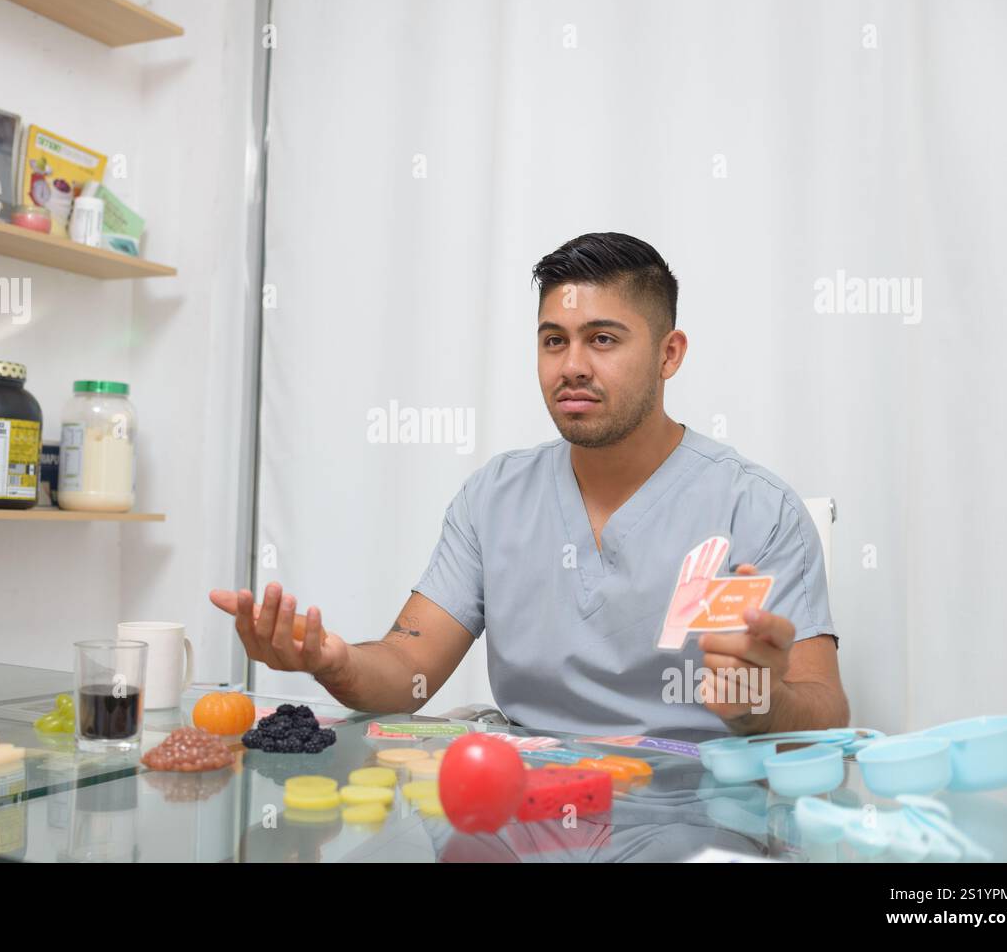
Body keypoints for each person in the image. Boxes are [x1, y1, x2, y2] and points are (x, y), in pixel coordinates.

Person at [210, 233, 849, 736]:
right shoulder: (494, 499)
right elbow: (408, 674)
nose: (571, 367)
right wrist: (334, 661)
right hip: (524, 816)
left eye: (602, 339)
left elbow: (825, 711)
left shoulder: (754, 509)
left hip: (693, 817)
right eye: (553, 340)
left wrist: (758, 703)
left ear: (669, 354)